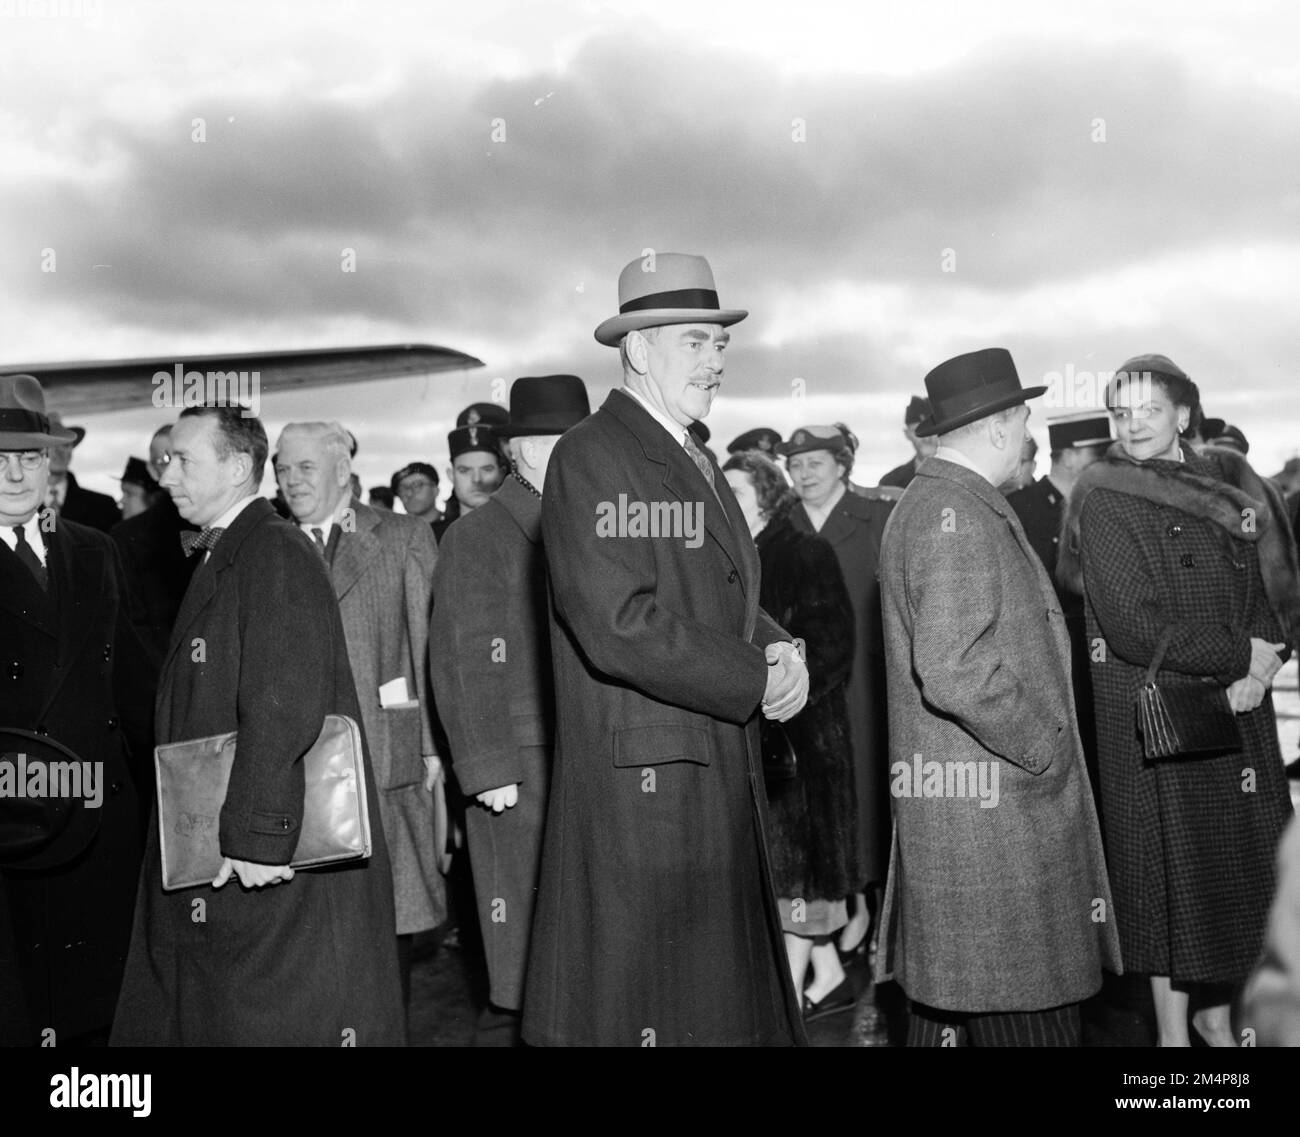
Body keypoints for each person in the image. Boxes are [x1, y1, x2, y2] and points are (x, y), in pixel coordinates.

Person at [523, 252, 809, 1047]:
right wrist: (754, 676)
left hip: (706, 778)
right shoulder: (593, 456)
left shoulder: (692, 455)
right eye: (695, 342)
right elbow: (618, 619)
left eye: (719, 343)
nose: (716, 360)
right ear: (639, 351)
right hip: (651, 799)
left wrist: (784, 652)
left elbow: (718, 594)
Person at [111, 405, 404, 1045]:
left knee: (267, 1011)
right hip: (240, 843)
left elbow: (284, 700)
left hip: (260, 849)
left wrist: (257, 837)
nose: (167, 476)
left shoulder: (271, 551)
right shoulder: (240, 548)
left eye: (184, 460)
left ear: (239, 467)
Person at [877, 347, 1120, 1046]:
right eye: (1022, 417)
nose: (1025, 433)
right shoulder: (955, 512)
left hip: (969, 825)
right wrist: (1044, 745)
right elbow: (953, 666)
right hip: (998, 829)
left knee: (953, 1014)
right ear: (998, 424)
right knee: (1029, 1015)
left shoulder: (940, 501)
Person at [1058, 353, 1298, 1047]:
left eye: (1149, 411)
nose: (1132, 426)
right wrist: (1236, 654)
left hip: (1237, 710)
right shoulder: (1102, 497)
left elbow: (1267, 585)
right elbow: (1132, 624)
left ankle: (1216, 1019)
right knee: (1173, 890)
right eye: (1121, 413)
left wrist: (1262, 659)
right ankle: (1171, 1049)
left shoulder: (1226, 484)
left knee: (1233, 882)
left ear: (1184, 414)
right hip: (1158, 718)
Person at [431, 374, 591, 1045]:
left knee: (583, 941)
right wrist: (487, 764)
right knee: (525, 950)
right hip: (518, 773)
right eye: (554, 440)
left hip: (588, 757)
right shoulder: (481, 536)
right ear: (519, 450)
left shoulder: (593, 520)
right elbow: (460, 657)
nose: (572, 451)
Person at [0, 373, 154, 1046]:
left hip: (99, 811)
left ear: (51, 464)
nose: (15, 474)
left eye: (29, 457)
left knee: (98, 1006)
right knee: (22, 1001)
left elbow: (136, 680)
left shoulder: (95, 548)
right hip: (14, 817)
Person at [274, 421, 446, 1012]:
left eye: (304, 468)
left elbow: (428, 646)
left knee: (390, 916)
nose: (289, 480)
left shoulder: (402, 536)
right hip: (296, 759)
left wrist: (430, 748)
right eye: (281, 467)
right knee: (311, 926)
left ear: (342, 472)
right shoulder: (269, 543)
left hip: (384, 751)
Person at [723, 449, 860, 1021]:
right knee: (778, 872)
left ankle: (788, 995)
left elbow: (829, 648)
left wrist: (771, 686)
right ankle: (826, 974)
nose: (722, 499)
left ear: (766, 496)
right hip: (757, 742)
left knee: (795, 873)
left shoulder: (805, 552)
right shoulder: (725, 557)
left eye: (735, 490)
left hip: (801, 748)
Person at [781, 424, 895, 962]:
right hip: (815, 688)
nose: (803, 475)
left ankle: (874, 908)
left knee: (870, 795)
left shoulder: (874, 517)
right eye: (796, 466)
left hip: (867, 683)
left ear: (842, 466)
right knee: (825, 802)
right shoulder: (787, 527)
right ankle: (848, 907)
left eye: (815, 464)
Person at [1007, 411, 1112, 798]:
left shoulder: (1103, 507)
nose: (1105, 462)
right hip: (1046, 666)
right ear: (1068, 456)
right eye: (1097, 453)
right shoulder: (1020, 510)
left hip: (1101, 666)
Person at [110, 424, 199, 663]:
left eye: (181, 457)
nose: (173, 468)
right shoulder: (127, 537)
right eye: (163, 460)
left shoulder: (219, 524)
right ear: (151, 469)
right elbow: (133, 628)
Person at [43, 413, 121, 532]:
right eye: (51, 444)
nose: (59, 452)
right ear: (37, 451)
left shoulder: (102, 507)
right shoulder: (15, 505)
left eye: (65, 445)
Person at [433, 426, 506, 544]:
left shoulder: (522, 534)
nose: (477, 479)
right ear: (451, 475)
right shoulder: (433, 538)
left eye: (487, 469)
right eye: (465, 471)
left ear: (501, 474)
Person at [878, 396, 937, 489]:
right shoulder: (891, 483)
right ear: (907, 434)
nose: (926, 438)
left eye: (932, 430)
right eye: (917, 431)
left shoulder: (964, 473)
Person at [392, 462, 442, 527]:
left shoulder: (455, 530)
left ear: (435, 490)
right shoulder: (394, 532)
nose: (409, 493)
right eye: (403, 489)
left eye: (417, 485)